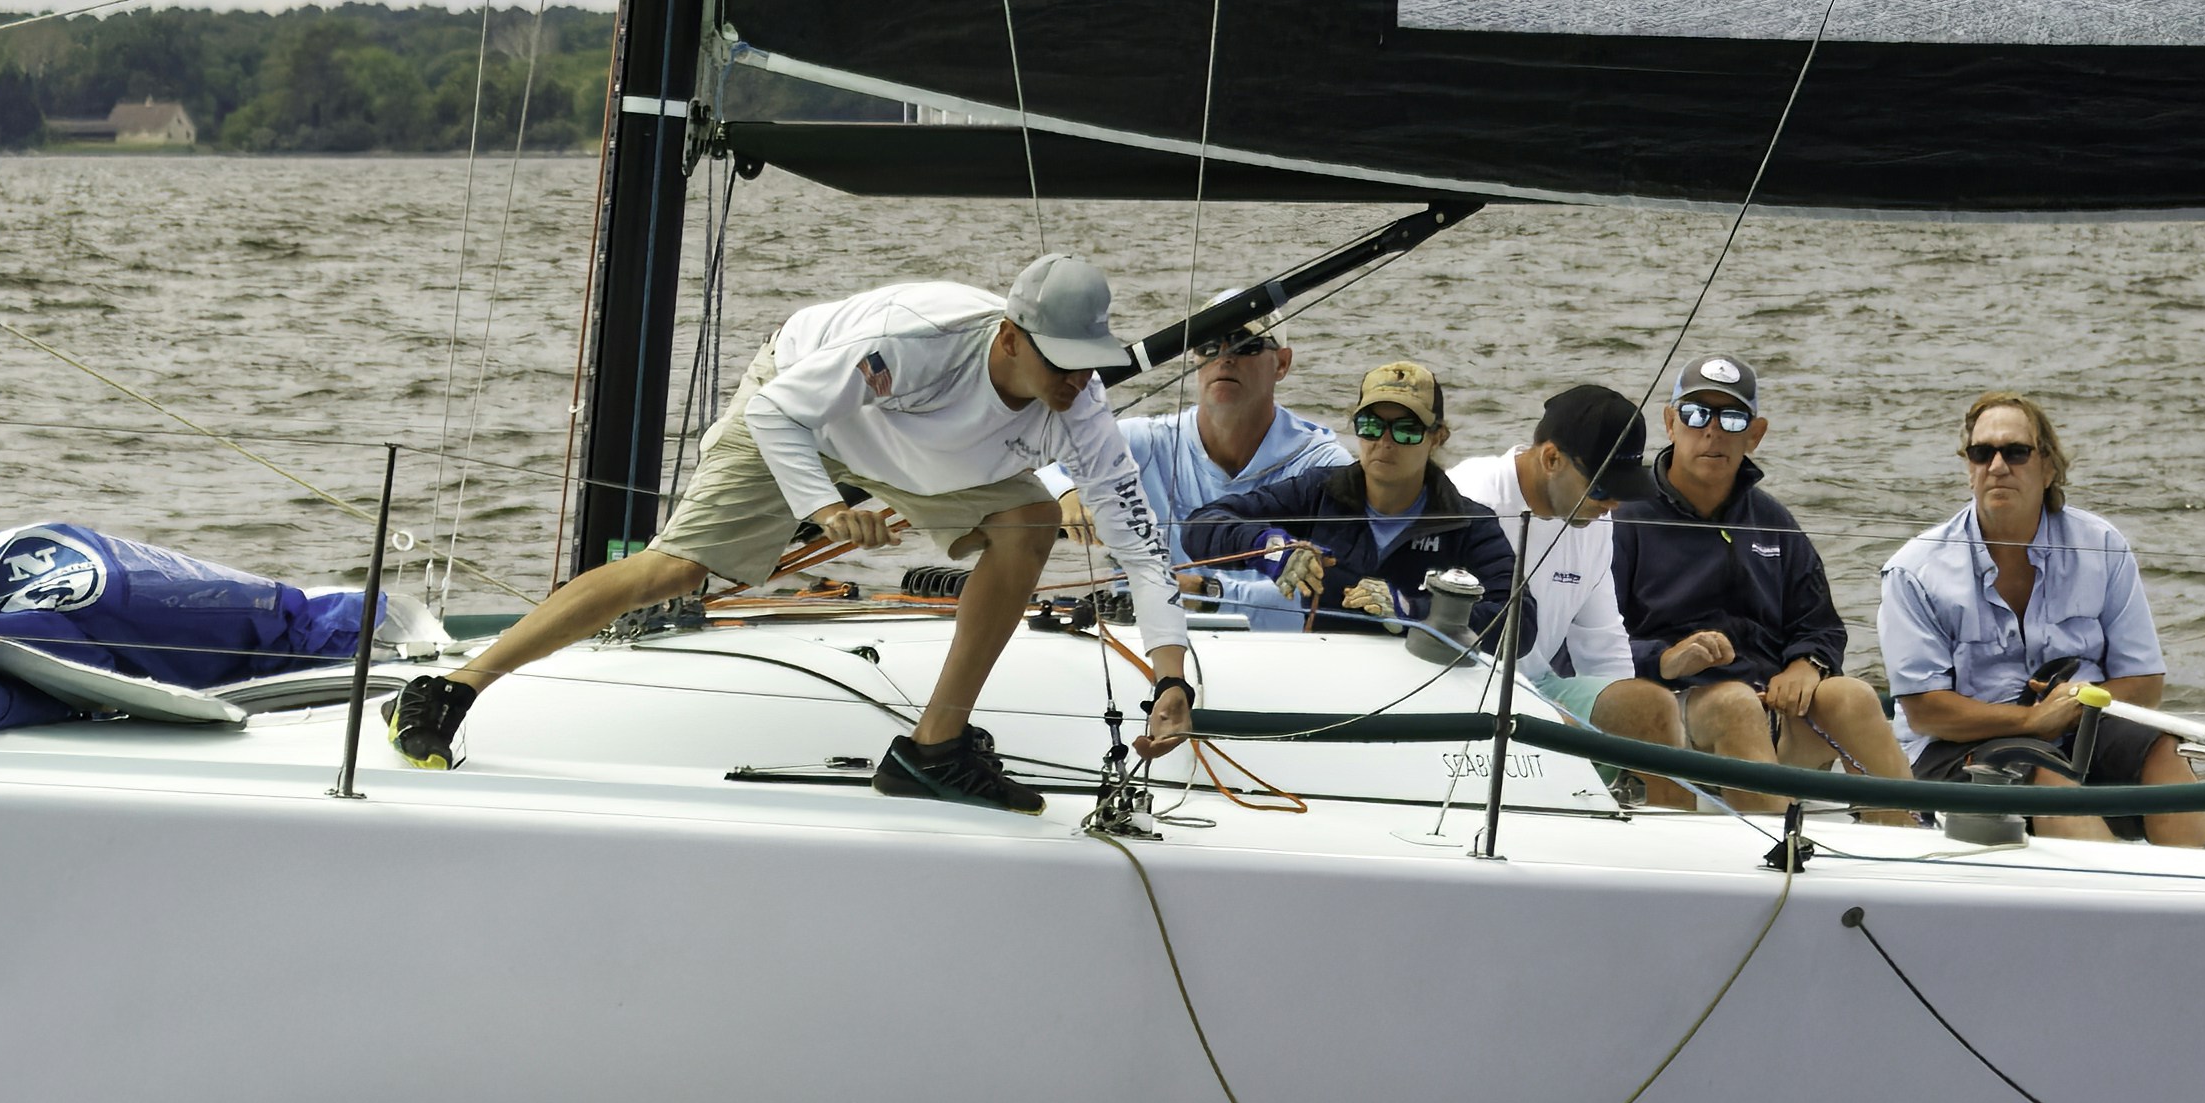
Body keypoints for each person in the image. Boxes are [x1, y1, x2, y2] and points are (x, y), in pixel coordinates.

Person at [390, 252, 1174, 813]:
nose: (1077, 382)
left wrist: (1170, 680)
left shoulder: (1083, 405)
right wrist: (827, 509)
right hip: (794, 410)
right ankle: (450, 689)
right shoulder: (918, 341)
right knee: (674, 570)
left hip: (914, 448)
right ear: (1009, 338)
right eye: (1062, 363)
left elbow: (1138, 543)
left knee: (1030, 522)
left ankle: (931, 751)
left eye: (1089, 364)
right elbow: (777, 415)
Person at [1878, 392, 2205, 846]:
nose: (1997, 466)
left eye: (2016, 452)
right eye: (1982, 453)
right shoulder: (1913, 570)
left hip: (2084, 724)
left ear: (2049, 467)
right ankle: (2124, 906)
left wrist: (2073, 703)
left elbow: (2144, 683)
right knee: (2043, 770)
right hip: (1953, 749)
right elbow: (1925, 711)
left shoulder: (2103, 547)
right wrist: (2032, 723)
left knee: (2161, 748)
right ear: (1968, 467)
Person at [1612, 359, 1916, 816]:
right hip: (1675, 717)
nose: (1712, 432)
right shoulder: (1622, 517)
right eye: (1696, 414)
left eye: (1731, 419)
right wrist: (1668, 660)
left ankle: (1906, 848)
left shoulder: (1773, 521)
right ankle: (1777, 863)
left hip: (1771, 713)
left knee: (1852, 695)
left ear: (1755, 434)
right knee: (1734, 703)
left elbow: (1822, 626)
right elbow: (1589, 645)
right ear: (1670, 422)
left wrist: (1805, 664)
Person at [1179, 365, 1517, 713]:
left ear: (1437, 437)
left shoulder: (1470, 523)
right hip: (1328, 687)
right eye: (1370, 426)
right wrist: (1271, 550)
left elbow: (1520, 623)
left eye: (1406, 430)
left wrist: (1413, 612)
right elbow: (1201, 524)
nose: (1385, 442)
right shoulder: (1319, 493)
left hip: (1427, 699)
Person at [1442, 382, 1698, 808]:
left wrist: (1629, 724)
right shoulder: (1469, 494)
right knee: (1559, 730)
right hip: (1460, 681)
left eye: (1624, 491)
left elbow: (1603, 643)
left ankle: (1677, 855)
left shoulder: (1596, 521)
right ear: (1551, 458)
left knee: (1651, 708)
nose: (1613, 504)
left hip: (1539, 683)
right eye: (1601, 489)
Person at [1073, 320, 1348, 540]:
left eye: (1245, 344)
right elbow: (1047, 464)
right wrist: (1068, 496)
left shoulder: (1325, 465)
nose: (1224, 356)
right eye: (1208, 345)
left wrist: (1204, 592)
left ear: (1283, 363)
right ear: (1194, 358)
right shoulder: (1143, 442)